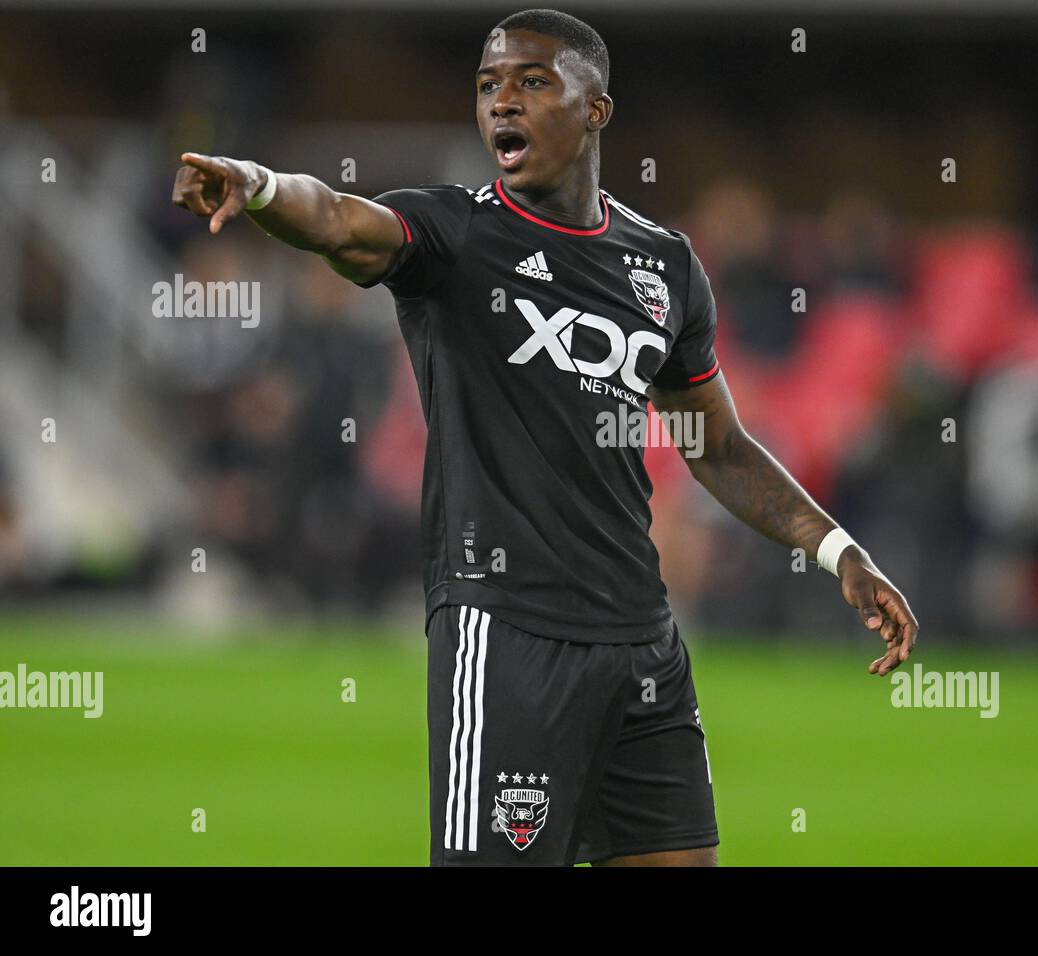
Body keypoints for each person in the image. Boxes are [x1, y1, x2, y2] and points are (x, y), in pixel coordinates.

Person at [170, 7, 917, 867]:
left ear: (596, 110)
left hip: (642, 638)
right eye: (489, 86)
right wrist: (259, 185)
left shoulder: (664, 265)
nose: (503, 104)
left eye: (532, 82)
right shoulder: (454, 233)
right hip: (507, 630)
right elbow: (338, 218)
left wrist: (838, 551)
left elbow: (715, 445)